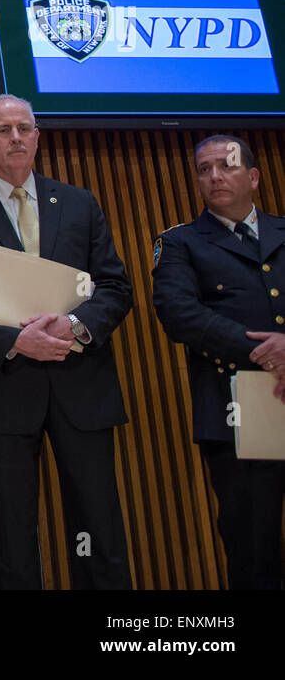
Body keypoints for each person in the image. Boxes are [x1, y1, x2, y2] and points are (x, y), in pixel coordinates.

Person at [0, 94, 134, 589]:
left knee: (98, 529)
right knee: (10, 534)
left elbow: (113, 286)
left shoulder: (80, 203)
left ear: (37, 137)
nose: (16, 137)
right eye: (3, 130)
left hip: (81, 385)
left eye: (24, 128)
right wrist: (16, 341)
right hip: (4, 388)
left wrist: (76, 326)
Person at [151, 135, 285, 589]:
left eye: (225, 167)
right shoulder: (180, 243)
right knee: (253, 547)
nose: (213, 177)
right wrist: (263, 351)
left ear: (253, 177)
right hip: (237, 411)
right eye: (204, 169)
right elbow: (180, 315)